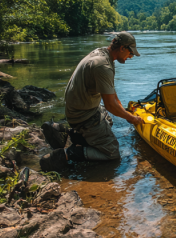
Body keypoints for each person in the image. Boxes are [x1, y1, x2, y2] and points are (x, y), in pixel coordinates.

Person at [40, 32, 145, 170]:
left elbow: (112, 94)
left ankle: (66, 132)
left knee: (109, 121)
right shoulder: (103, 67)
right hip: (83, 115)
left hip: (78, 108)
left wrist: (125, 112)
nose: (130, 57)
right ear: (122, 48)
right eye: (130, 53)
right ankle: (65, 154)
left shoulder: (102, 54)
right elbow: (110, 105)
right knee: (112, 153)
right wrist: (132, 119)